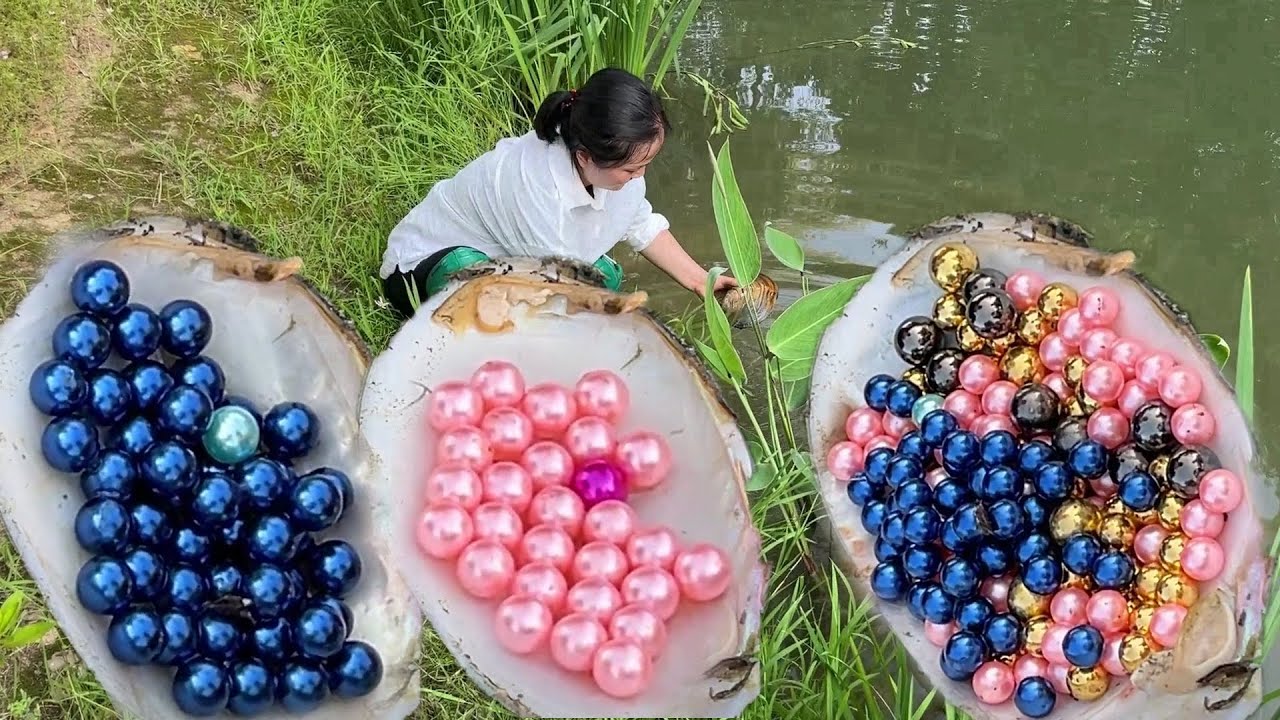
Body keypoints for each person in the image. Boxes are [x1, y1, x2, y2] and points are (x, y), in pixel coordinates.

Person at [379, 67, 737, 317]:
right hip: (425, 269)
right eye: (630, 169)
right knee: (488, 290)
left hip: (521, 257)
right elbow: (555, 288)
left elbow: (640, 225)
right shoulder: (532, 188)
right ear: (585, 156)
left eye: (646, 164)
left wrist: (699, 282)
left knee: (605, 275)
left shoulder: (614, 170)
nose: (640, 176)